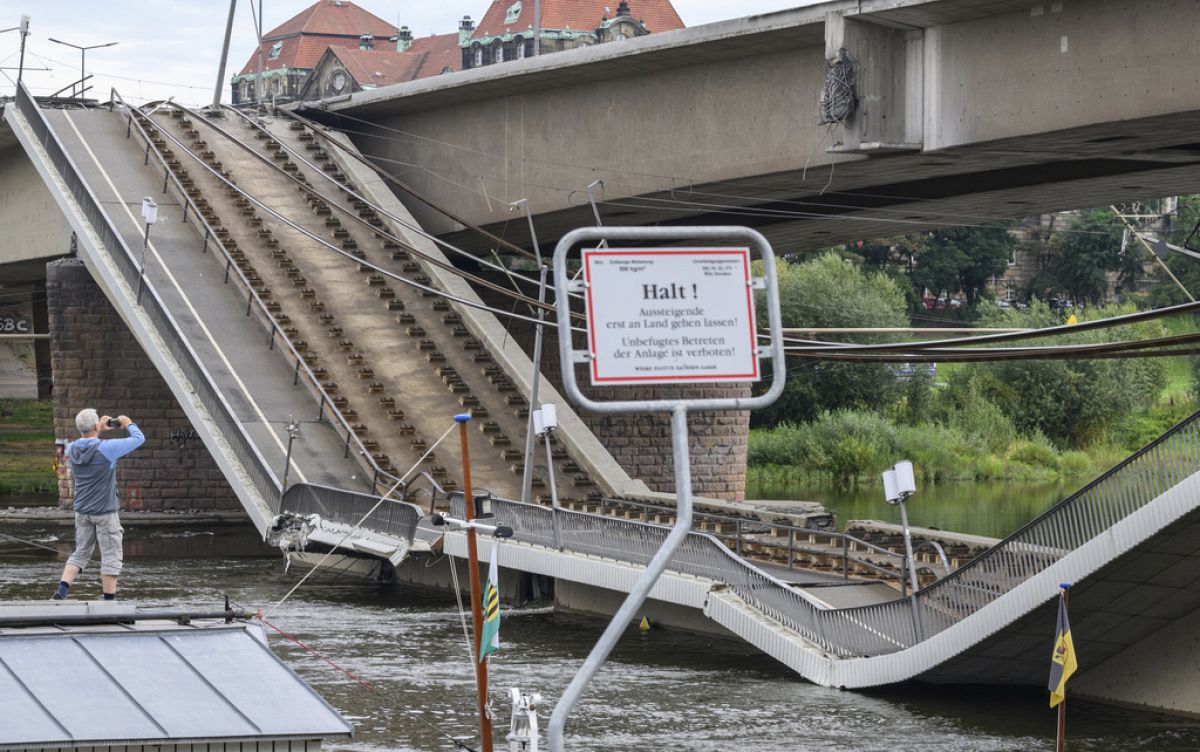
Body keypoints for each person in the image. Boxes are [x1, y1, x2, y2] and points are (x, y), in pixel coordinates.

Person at [52, 408, 145, 601]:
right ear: (95, 425)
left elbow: (88, 442)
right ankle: (108, 601)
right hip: (105, 511)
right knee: (110, 554)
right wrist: (128, 423)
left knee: (81, 551)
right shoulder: (107, 448)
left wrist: (98, 429)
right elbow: (138, 439)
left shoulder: (71, 449)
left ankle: (61, 592)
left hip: (82, 511)